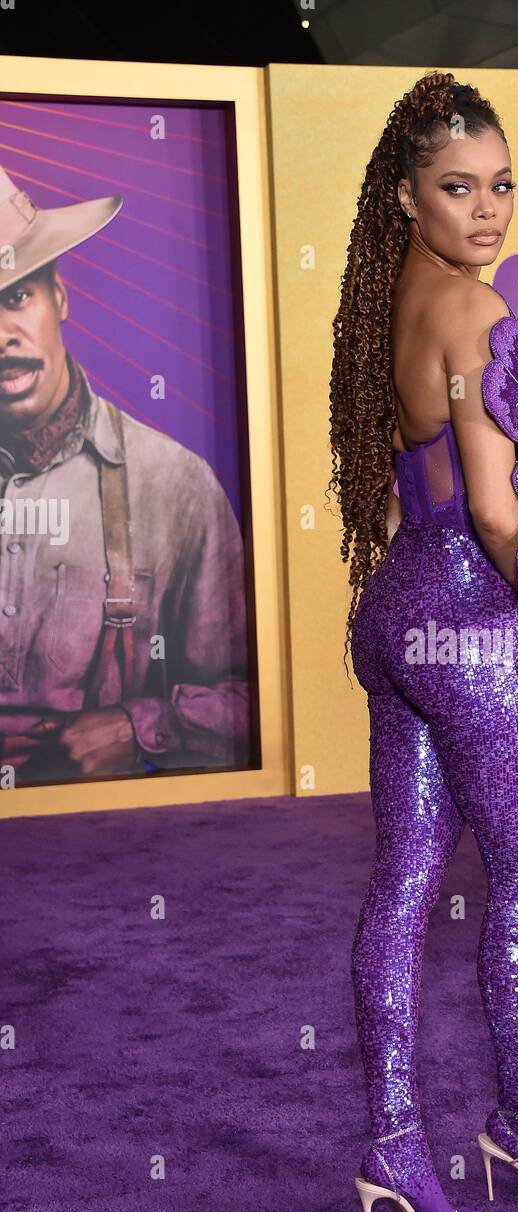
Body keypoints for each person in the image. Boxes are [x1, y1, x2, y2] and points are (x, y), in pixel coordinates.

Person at [329, 73, 518, 1212]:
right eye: (458, 188)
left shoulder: (387, 300)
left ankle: (394, 1143)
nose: (487, 209)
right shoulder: (473, 307)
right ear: (407, 196)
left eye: (500, 185)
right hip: (474, 617)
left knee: (403, 880)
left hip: (397, 608)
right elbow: (504, 515)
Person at [0, 165, 250, 786]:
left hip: (101, 838)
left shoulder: (175, 487)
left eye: (15, 297)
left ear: (59, 296)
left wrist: (139, 728)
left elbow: (255, 699)